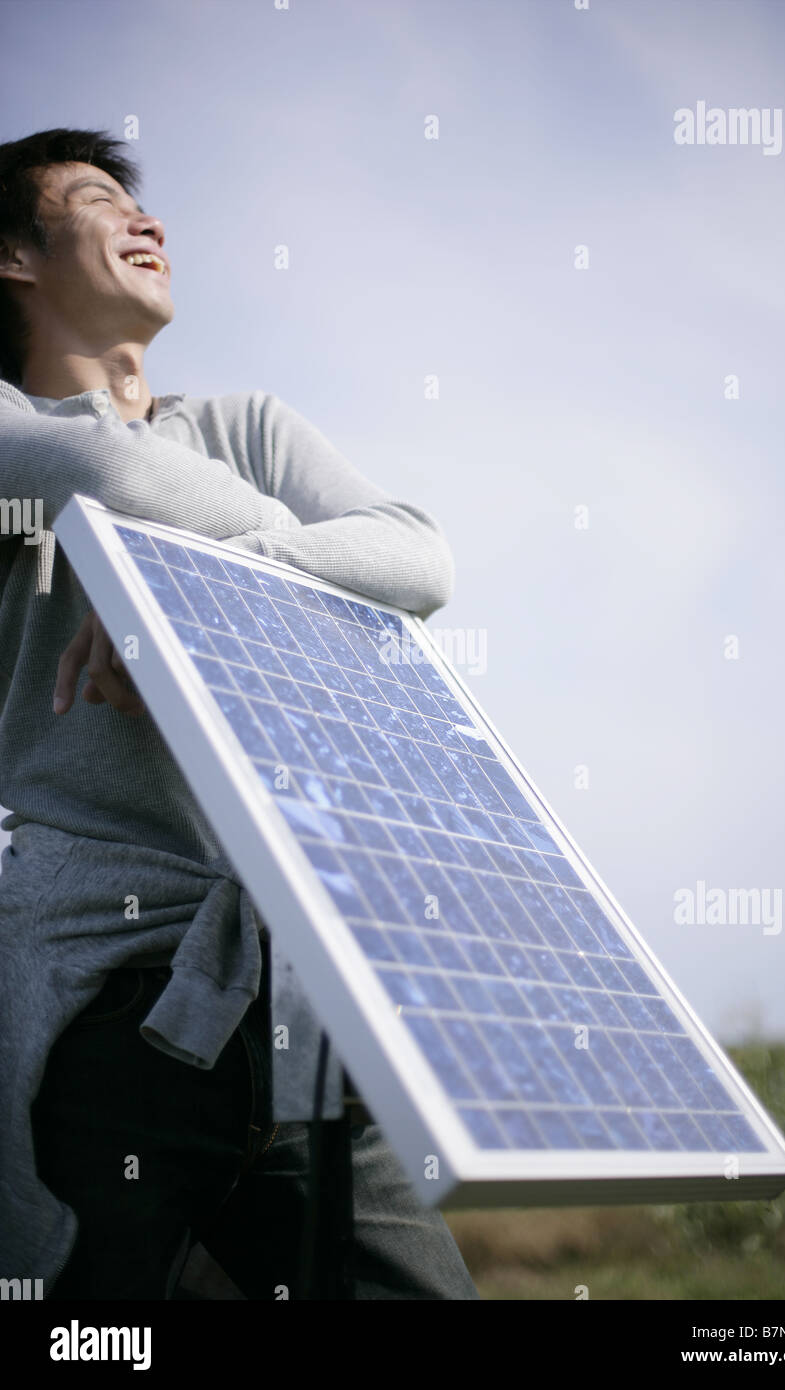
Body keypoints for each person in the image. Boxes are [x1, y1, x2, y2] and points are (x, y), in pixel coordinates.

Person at [0, 127, 479, 1300]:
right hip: (105, 991)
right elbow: (110, 476)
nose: (148, 220)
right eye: (102, 198)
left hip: (298, 989)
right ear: (15, 255)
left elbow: (420, 558)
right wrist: (286, 562)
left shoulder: (246, 425)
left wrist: (183, 593)